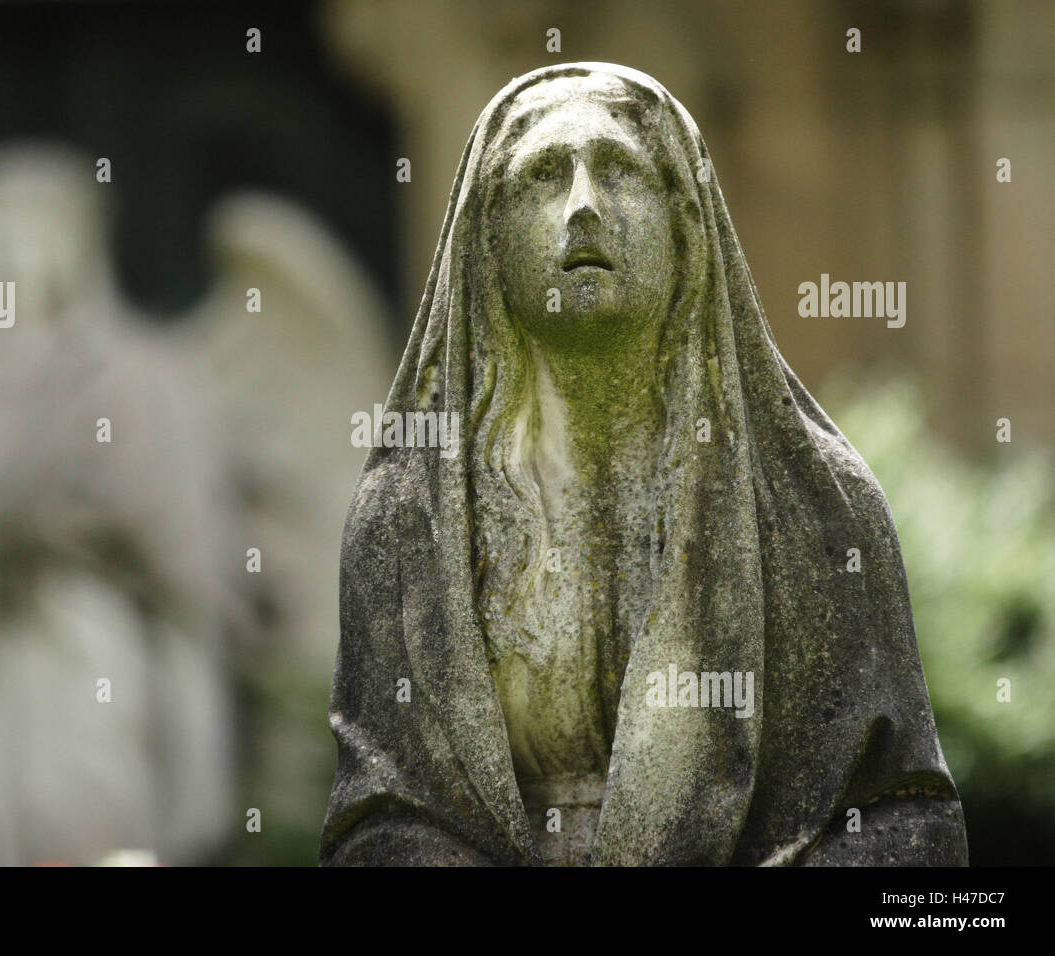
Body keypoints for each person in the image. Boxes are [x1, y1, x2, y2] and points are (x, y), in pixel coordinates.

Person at [320, 63, 968, 866]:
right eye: (542, 178)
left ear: (684, 228)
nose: (584, 206)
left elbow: (912, 823)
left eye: (620, 171)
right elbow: (378, 827)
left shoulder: (821, 506)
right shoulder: (404, 520)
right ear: (485, 244)